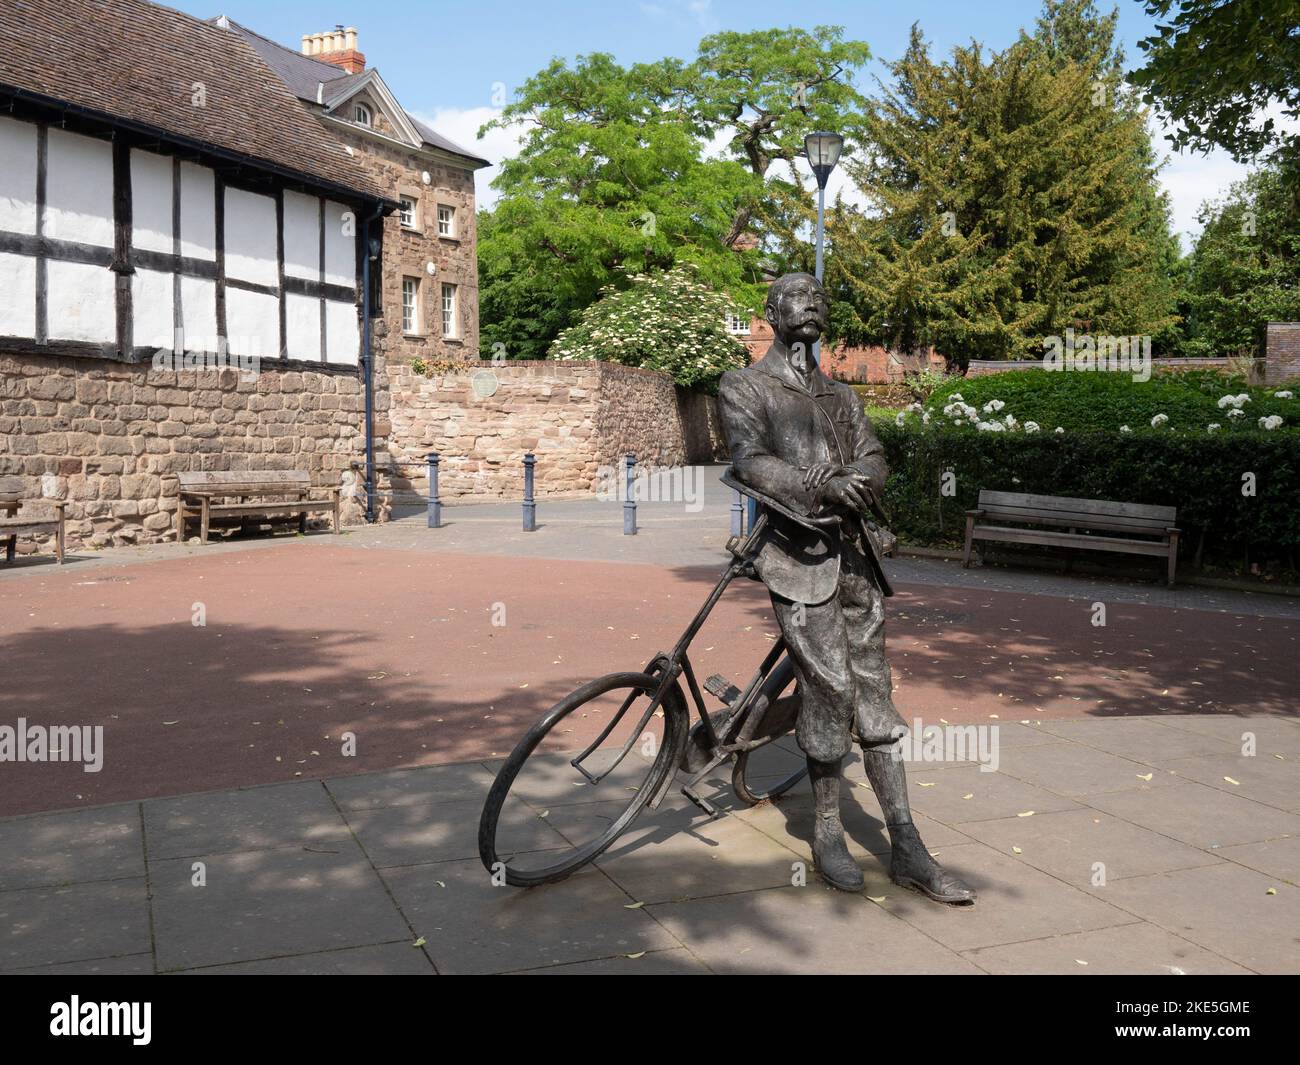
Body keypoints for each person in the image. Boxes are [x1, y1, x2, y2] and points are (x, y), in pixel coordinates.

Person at [717, 272, 975, 903]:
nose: (813, 306)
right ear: (773, 314)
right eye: (799, 299)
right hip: (796, 562)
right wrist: (819, 483)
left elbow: (875, 455)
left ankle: (908, 842)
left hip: (856, 561)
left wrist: (862, 478)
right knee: (829, 690)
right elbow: (747, 459)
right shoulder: (746, 386)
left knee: (876, 696)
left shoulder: (841, 394)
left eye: (819, 299)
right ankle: (828, 829)